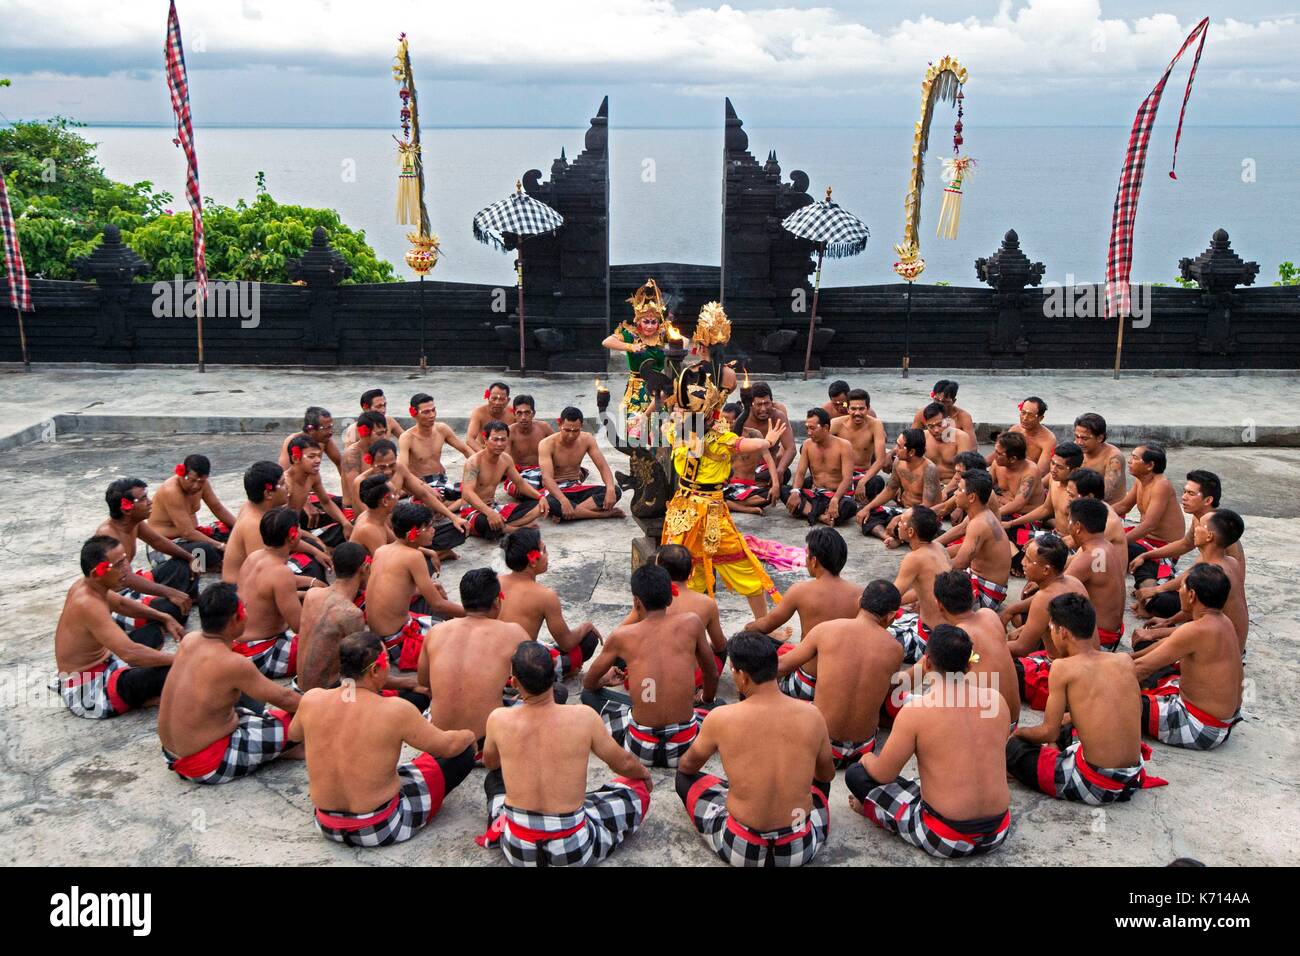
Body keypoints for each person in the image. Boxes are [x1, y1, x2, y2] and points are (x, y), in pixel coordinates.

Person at [292, 631, 476, 847]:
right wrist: (468, 736)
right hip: (380, 827)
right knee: (461, 753)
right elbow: (447, 747)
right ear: (375, 669)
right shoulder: (395, 711)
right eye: (387, 661)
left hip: (326, 824)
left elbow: (294, 734)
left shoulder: (312, 699)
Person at [846, 624, 1012, 859]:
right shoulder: (996, 701)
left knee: (857, 774)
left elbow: (883, 775)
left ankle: (878, 812)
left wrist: (867, 758)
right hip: (998, 831)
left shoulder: (916, 711)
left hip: (945, 837)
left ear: (927, 663)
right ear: (969, 665)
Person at [479, 641, 652, 867]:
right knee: (634, 790)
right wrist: (643, 774)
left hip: (518, 848)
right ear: (554, 677)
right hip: (573, 849)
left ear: (514, 682)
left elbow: (490, 763)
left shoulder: (498, 719)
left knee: (494, 782)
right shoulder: (584, 717)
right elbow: (622, 763)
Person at [660, 311, 787, 617]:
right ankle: (676, 623)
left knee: (741, 567)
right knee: (677, 574)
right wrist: (767, 442)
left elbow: (742, 442)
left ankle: (763, 623)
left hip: (706, 510)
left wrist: (766, 442)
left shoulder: (700, 432)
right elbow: (743, 443)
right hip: (687, 510)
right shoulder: (687, 430)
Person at [676, 632, 834, 868]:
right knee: (820, 784)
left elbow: (688, 766)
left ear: (743, 676)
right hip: (798, 847)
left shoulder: (721, 717)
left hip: (742, 848)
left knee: (683, 779)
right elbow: (826, 775)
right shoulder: (812, 714)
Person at [1006, 593, 1167, 803]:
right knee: (1067, 725)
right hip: (1131, 776)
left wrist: (1018, 735)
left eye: (1051, 629)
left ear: (1062, 632)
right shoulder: (1123, 660)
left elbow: (1048, 732)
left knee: (1013, 749)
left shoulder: (1062, 668)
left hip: (1097, 784)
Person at [158, 583, 302, 784]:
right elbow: (285, 698)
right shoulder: (233, 663)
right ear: (237, 618)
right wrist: (322, 710)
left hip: (172, 751)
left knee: (259, 704)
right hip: (207, 763)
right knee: (303, 724)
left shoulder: (189, 640)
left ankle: (277, 747)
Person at [582, 564, 719, 768]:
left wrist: (605, 680)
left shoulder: (622, 636)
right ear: (670, 598)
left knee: (589, 696)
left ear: (636, 602)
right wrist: (705, 700)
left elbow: (589, 683)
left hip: (640, 747)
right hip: (686, 746)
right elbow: (711, 673)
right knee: (719, 705)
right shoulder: (692, 623)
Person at [775, 580, 905, 767]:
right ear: (891, 616)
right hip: (863, 750)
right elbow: (887, 695)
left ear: (860, 601)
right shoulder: (895, 649)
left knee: (775, 665)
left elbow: (781, 666)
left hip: (819, 749)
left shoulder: (827, 629)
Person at [55, 536, 178, 719]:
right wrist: (182, 659)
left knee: (153, 631)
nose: (127, 568)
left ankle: (142, 693)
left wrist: (163, 616)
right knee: (176, 671)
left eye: (125, 560)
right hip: (90, 691)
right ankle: (139, 697)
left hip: (107, 662)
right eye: (119, 564)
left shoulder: (89, 585)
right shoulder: (87, 603)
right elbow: (131, 654)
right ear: (98, 573)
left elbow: (121, 604)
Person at [294, 542, 423, 704]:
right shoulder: (351, 615)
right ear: (364, 568)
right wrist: (408, 682)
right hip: (329, 697)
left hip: (300, 689)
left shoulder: (312, 594)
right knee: (418, 697)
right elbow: (360, 674)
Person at [418, 569, 533, 750]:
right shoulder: (514, 632)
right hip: (485, 742)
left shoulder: (436, 631)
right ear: (497, 601)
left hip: (440, 739)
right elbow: (537, 681)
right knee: (551, 696)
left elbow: (424, 682)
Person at [1134, 564, 1244, 750]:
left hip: (1199, 727)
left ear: (1192, 596)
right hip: (1220, 721)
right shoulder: (1224, 622)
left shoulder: (1196, 630)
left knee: (1115, 700)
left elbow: (1141, 668)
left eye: (1182, 587)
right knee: (1149, 656)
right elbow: (1167, 647)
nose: (1178, 591)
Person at [1134, 509, 1248, 658]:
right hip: (1226, 640)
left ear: (1209, 536)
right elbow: (1194, 612)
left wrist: (1155, 634)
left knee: (1143, 644)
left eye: (1200, 525)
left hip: (1221, 651)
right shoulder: (1228, 561)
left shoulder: (1213, 574)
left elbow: (1202, 628)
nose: (1195, 528)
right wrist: (1168, 621)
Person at [1131, 470, 1241, 619]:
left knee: (1161, 602)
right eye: (1184, 492)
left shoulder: (1219, 529)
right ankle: (1149, 597)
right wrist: (1146, 554)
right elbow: (1185, 544)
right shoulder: (1200, 519)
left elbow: (1198, 576)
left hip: (1209, 596)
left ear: (1208, 500)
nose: (1183, 497)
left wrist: (1158, 590)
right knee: (1143, 562)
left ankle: (1149, 597)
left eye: (1190, 493)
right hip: (1196, 581)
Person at [366, 502, 465, 668]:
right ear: (412, 533)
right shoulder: (413, 556)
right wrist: (475, 613)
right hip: (396, 642)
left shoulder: (381, 550)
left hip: (381, 634)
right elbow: (438, 604)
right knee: (461, 642)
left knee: (437, 597)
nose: (433, 530)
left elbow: (392, 591)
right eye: (428, 527)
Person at [497, 528, 601, 678]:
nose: (547, 555)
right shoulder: (545, 596)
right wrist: (586, 626)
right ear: (533, 561)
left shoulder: (497, 582)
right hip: (523, 672)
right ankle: (558, 674)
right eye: (544, 550)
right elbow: (567, 643)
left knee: (540, 647)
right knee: (589, 639)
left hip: (493, 663)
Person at [1005, 534, 1090, 710]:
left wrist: (986, 649)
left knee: (993, 668)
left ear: (1046, 571)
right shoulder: (1073, 582)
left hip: (1066, 678)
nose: (1022, 563)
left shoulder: (1044, 596)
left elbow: (1022, 648)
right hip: (1087, 667)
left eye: (1028, 560)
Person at [96, 477, 194, 628]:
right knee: (174, 611)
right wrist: (170, 592)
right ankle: (177, 602)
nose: (150, 502)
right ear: (126, 509)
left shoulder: (135, 523)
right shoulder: (108, 535)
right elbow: (126, 578)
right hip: (117, 600)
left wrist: (190, 558)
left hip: (132, 585)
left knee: (183, 565)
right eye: (143, 499)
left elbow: (158, 542)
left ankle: (183, 598)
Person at [928, 569, 1020, 729]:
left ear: (939, 605)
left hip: (991, 726)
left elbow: (925, 668)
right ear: (973, 595)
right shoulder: (990, 615)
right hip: (1012, 720)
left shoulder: (956, 638)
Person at [235, 507, 316, 678]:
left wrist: (312, 583)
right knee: (334, 644)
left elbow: (270, 591)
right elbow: (300, 627)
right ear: (292, 536)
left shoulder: (254, 556)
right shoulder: (281, 572)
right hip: (264, 653)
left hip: (243, 644)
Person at [350, 438, 469, 553]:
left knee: (459, 529)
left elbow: (423, 494)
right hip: (382, 535)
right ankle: (434, 554)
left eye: (391, 465)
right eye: (381, 467)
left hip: (401, 531)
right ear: (371, 463)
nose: (388, 471)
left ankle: (429, 553)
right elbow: (375, 520)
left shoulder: (399, 468)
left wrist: (454, 517)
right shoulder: (361, 483)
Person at [745, 527, 862, 641]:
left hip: (809, 660)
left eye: (807, 555)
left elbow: (766, 625)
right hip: (847, 660)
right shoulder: (859, 594)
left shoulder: (800, 591)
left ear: (814, 561)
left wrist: (748, 628)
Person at [224, 460, 329, 584]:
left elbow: (288, 537)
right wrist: (312, 582)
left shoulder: (256, 506)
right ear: (268, 493)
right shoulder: (254, 525)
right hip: (242, 588)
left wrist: (315, 549)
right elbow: (265, 575)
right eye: (283, 484)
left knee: (312, 547)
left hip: (264, 572)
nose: (288, 487)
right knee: (311, 569)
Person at [603, 278, 669, 444]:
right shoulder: (631, 335)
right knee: (635, 433)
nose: (649, 326)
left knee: (659, 434)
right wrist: (630, 347)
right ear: (638, 321)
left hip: (659, 389)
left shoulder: (663, 334)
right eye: (645, 321)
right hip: (637, 390)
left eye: (654, 322)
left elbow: (684, 341)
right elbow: (606, 342)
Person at [457, 420, 549, 538]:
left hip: (494, 507)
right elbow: (467, 493)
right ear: (485, 439)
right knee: (484, 523)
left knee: (539, 506)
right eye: (495, 439)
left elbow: (520, 483)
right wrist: (489, 513)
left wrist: (540, 497)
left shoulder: (506, 459)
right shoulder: (474, 462)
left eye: (503, 439)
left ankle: (501, 527)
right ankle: (514, 529)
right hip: (472, 510)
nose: (500, 444)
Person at [146, 454, 237, 571]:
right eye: (192, 480)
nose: (196, 486)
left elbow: (218, 508)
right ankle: (211, 564)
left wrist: (241, 528)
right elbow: (187, 533)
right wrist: (220, 545)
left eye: (201, 482)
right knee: (204, 549)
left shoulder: (203, 485)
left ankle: (215, 560)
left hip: (192, 538)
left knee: (230, 531)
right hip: (165, 547)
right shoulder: (171, 491)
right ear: (182, 474)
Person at [1003, 441, 1083, 573]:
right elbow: (1046, 509)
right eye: (1052, 463)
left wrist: (1046, 541)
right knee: (1003, 530)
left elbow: (1082, 536)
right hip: (1053, 536)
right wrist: (1011, 523)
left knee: (1042, 555)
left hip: (1066, 544)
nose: (1053, 469)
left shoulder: (1079, 492)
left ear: (1074, 470)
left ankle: (1020, 564)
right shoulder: (1054, 480)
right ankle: (1021, 562)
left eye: (1059, 467)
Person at [887, 506, 952, 665]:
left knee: (872, 636)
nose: (898, 524)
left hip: (931, 638)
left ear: (910, 532)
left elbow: (890, 597)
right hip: (947, 630)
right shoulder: (939, 547)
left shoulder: (914, 558)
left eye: (902, 522)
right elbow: (927, 590)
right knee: (899, 612)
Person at [1116, 442, 1186, 588]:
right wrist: (1096, 512)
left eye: (1135, 458)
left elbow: (1149, 525)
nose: (1129, 461)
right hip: (1144, 540)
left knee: (1109, 546)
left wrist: (1118, 541)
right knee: (1098, 535)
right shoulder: (1140, 481)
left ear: (1149, 465)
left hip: (1162, 549)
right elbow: (1124, 506)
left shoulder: (1162, 485)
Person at [856, 428, 940, 545]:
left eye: (899, 446)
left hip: (922, 516)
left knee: (916, 528)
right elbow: (890, 489)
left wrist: (900, 518)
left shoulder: (929, 469)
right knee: (867, 515)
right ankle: (888, 536)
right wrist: (867, 508)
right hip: (903, 511)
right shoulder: (898, 462)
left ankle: (899, 535)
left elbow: (927, 506)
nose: (895, 449)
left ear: (911, 452)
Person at [537, 407, 624, 520]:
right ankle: (602, 514)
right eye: (567, 430)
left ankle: (570, 513)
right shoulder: (546, 444)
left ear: (581, 426)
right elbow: (547, 479)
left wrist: (611, 489)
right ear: (559, 424)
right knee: (551, 502)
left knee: (615, 491)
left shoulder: (587, 439)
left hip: (576, 488)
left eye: (575, 431)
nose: (571, 435)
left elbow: (603, 467)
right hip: (557, 491)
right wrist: (563, 500)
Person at [1064, 497, 1128, 651]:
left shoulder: (1091, 556)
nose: (1068, 526)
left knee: (1028, 619)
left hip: (1099, 639)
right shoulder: (1105, 546)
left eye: (1070, 521)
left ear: (1078, 526)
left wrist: (1012, 609)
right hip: (1113, 633)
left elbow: (1054, 592)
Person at [948, 469, 1013, 612]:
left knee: (934, 585)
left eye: (959, 490)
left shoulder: (979, 523)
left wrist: (931, 568)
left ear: (971, 497)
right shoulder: (981, 515)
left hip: (987, 594)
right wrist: (937, 552)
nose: (955, 494)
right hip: (979, 579)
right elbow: (963, 549)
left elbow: (959, 563)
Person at [782, 408, 858, 526]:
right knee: (785, 491)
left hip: (835, 494)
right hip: (815, 494)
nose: (809, 433)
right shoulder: (807, 444)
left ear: (826, 427)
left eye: (813, 428)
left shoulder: (844, 446)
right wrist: (796, 491)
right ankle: (822, 517)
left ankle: (808, 511)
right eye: (807, 428)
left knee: (849, 506)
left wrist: (836, 499)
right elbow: (801, 473)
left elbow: (847, 479)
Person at [398, 392, 475, 498]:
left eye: (433, 410)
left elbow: (465, 449)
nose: (432, 415)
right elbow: (402, 470)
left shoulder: (442, 429)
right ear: (414, 413)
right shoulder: (407, 438)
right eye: (426, 412)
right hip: (420, 483)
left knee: (475, 492)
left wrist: (478, 469)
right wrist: (424, 487)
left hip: (441, 479)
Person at [283, 435, 353, 548]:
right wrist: (314, 540)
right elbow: (281, 527)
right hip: (286, 534)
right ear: (296, 458)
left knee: (349, 528)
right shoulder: (286, 484)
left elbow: (326, 502)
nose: (318, 460)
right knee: (319, 549)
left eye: (318, 456)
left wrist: (345, 523)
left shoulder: (313, 475)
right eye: (311, 456)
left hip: (298, 528)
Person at [831, 389, 888, 502]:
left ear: (867, 408)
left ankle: (851, 498)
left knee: (877, 482)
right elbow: (819, 447)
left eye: (861, 409)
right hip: (840, 475)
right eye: (853, 409)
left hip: (862, 475)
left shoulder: (876, 425)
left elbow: (881, 459)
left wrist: (862, 482)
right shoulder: (836, 423)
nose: (857, 413)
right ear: (847, 409)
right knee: (809, 482)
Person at [721, 402, 778, 513]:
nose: (724, 424)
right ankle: (744, 508)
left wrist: (776, 485)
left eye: (728, 421)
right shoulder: (720, 437)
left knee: (769, 496)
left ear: (739, 420)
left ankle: (729, 504)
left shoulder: (754, 435)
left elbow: (769, 460)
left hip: (748, 487)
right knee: (712, 495)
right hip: (727, 486)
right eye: (722, 420)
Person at [745, 382, 797, 486]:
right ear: (751, 404)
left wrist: (780, 471)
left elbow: (791, 449)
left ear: (772, 402)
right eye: (759, 404)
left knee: (785, 473)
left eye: (767, 403)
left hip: (769, 469)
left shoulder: (778, 416)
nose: (763, 409)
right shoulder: (743, 418)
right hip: (747, 469)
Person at [989, 431, 1046, 524]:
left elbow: (1018, 505)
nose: (994, 456)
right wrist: (998, 499)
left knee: (989, 524)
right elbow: (984, 488)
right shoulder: (997, 463)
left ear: (1013, 459)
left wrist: (992, 513)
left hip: (1026, 518)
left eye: (999, 454)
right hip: (1003, 509)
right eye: (995, 451)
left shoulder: (1030, 472)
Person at [339, 409, 389, 511]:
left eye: (385, 432)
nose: (383, 437)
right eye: (379, 434)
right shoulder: (352, 455)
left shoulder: (380, 450)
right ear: (364, 432)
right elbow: (356, 495)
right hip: (355, 510)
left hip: (379, 504)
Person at [278, 406, 344, 483]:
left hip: (315, 488)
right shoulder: (292, 441)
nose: (330, 432)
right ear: (311, 429)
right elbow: (284, 475)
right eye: (326, 428)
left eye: (330, 427)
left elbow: (340, 463)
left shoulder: (325, 440)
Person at [993, 396, 1054, 477]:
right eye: (1023, 413)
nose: (1025, 418)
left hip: (1029, 477)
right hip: (1008, 472)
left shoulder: (1048, 440)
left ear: (1040, 418)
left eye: (1030, 415)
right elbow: (999, 453)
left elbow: (1040, 471)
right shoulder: (1015, 429)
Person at [1073, 412, 1126, 504]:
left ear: (1100, 438)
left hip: (1106, 509)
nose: (1079, 442)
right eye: (1077, 437)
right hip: (1079, 500)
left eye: (1085, 439)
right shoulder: (1076, 448)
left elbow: (1107, 494)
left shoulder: (1114, 458)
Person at [505, 394, 553, 492]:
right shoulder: (510, 432)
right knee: (516, 489)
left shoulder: (544, 427)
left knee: (576, 474)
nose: (523, 417)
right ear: (514, 414)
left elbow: (559, 447)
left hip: (543, 471)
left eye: (527, 413)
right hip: (521, 475)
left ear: (533, 413)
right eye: (519, 413)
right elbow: (505, 460)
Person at [920, 401, 977, 484]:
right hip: (929, 485)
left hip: (955, 485)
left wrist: (945, 492)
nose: (936, 430)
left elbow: (963, 471)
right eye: (931, 426)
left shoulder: (961, 437)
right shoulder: (923, 437)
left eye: (940, 425)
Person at [911, 379, 977, 443]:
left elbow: (972, 446)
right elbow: (911, 440)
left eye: (944, 402)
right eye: (937, 400)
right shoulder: (922, 414)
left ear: (953, 401)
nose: (940, 404)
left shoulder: (963, 417)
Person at [340, 388, 405, 446]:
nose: (383, 410)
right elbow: (348, 456)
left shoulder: (389, 421)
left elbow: (407, 438)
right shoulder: (353, 430)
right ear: (365, 408)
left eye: (384, 405)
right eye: (378, 406)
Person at [465, 381, 517, 452]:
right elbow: (469, 439)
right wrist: (485, 455)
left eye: (501, 399)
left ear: (508, 400)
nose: (497, 403)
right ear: (488, 397)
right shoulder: (479, 412)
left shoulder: (513, 413)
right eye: (494, 398)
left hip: (506, 451)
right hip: (484, 450)